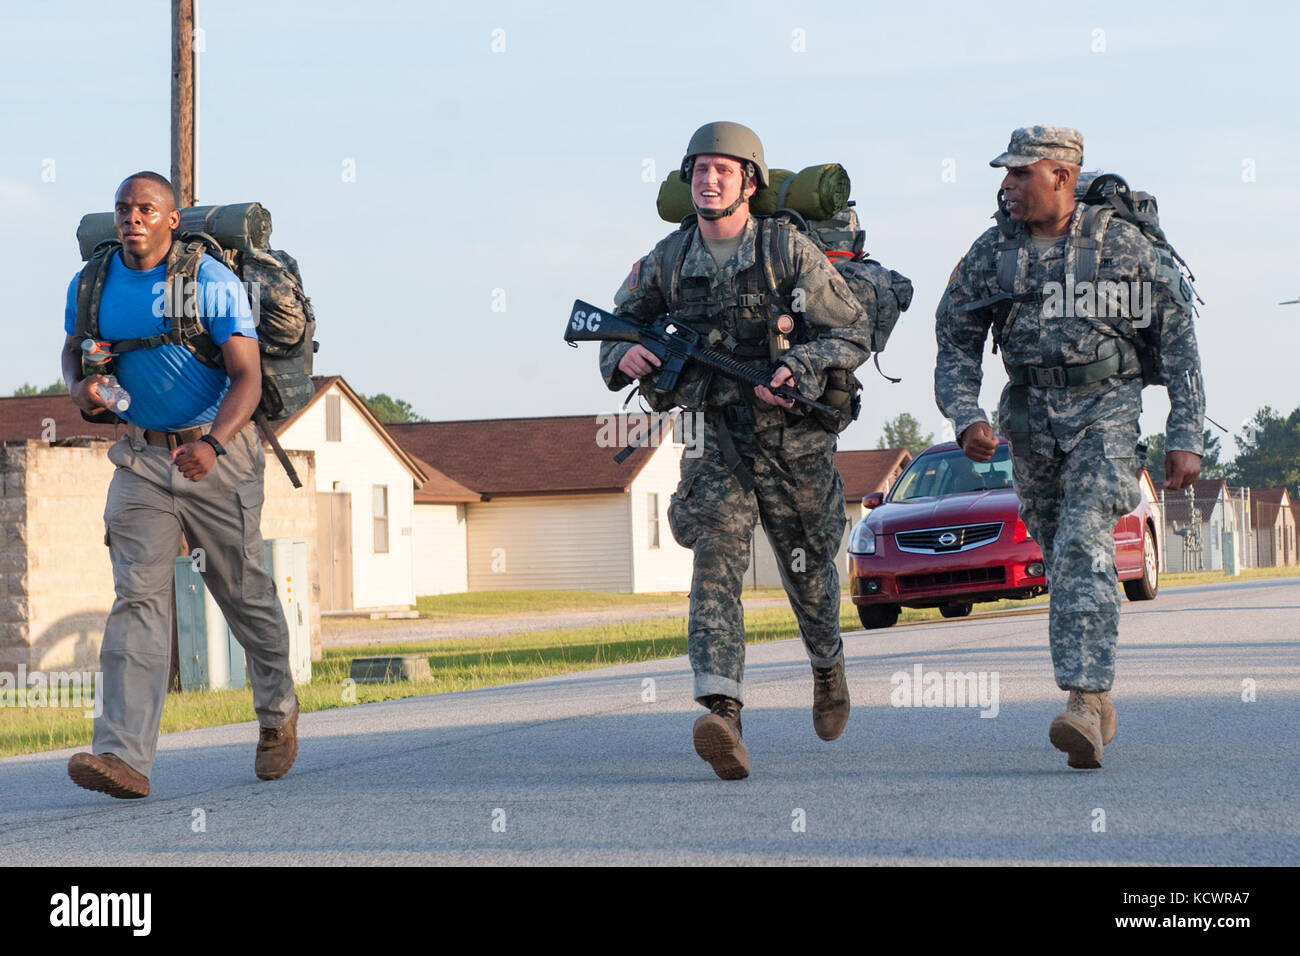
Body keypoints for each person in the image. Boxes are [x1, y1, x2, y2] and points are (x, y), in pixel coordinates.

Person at [600, 122, 873, 780]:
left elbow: (853, 331)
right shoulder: (668, 260)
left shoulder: (787, 249)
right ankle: (722, 711)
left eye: (723, 169)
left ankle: (827, 666)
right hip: (715, 437)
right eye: (699, 169)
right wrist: (623, 354)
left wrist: (802, 368)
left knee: (809, 573)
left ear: (750, 182)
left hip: (794, 441)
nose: (709, 179)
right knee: (716, 555)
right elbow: (612, 329)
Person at [935, 127, 1205, 769]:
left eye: (1019, 173)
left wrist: (1185, 433)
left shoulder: (1121, 245)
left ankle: (1082, 700)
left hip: (1105, 411)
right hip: (1028, 417)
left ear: (1060, 175)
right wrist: (965, 414)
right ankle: (1099, 692)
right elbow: (955, 335)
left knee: (1085, 538)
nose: (1006, 184)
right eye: (1005, 173)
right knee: (1061, 553)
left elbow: (1177, 336)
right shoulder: (991, 252)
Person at [61, 171, 299, 798]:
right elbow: (74, 349)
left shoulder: (209, 282)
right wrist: (78, 388)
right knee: (136, 600)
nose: (131, 219)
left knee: (242, 590)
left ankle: (278, 716)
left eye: (145, 209)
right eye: (122, 209)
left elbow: (245, 377)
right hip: (141, 458)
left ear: (171, 220)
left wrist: (214, 445)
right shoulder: (92, 284)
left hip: (218, 452)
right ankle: (123, 757)